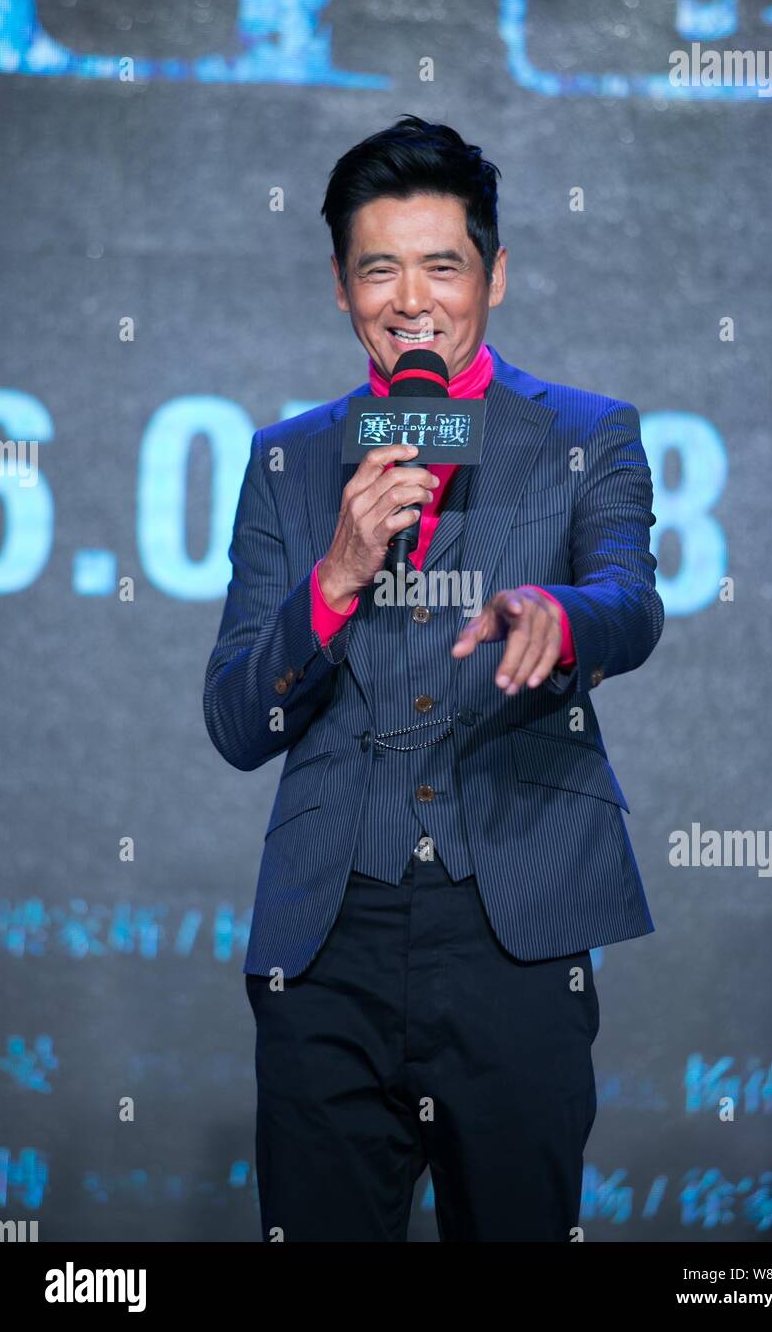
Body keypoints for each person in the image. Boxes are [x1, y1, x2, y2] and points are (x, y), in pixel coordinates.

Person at [203, 114, 664, 1242]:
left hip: (512, 932)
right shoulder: (287, 461)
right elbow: (236, 716)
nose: (411, 299)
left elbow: (629, 599)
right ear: (340, 286)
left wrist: (551, 613)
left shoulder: (585, 435)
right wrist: (337, 576)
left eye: (441, 265)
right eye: (379, 268)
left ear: (493, 276)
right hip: (327, 946)